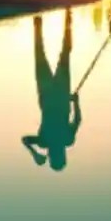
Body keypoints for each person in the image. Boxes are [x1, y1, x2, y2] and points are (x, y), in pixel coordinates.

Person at [22, 10, 82, 171]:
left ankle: (66, 15)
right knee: (42, 53)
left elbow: (77, 120)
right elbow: (25, 140)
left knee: (62, 54)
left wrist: (76, 102)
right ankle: (46, 15)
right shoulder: (45, 142)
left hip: (58, 95)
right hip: (49, 95)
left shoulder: (65, 140)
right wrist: (33, 152)